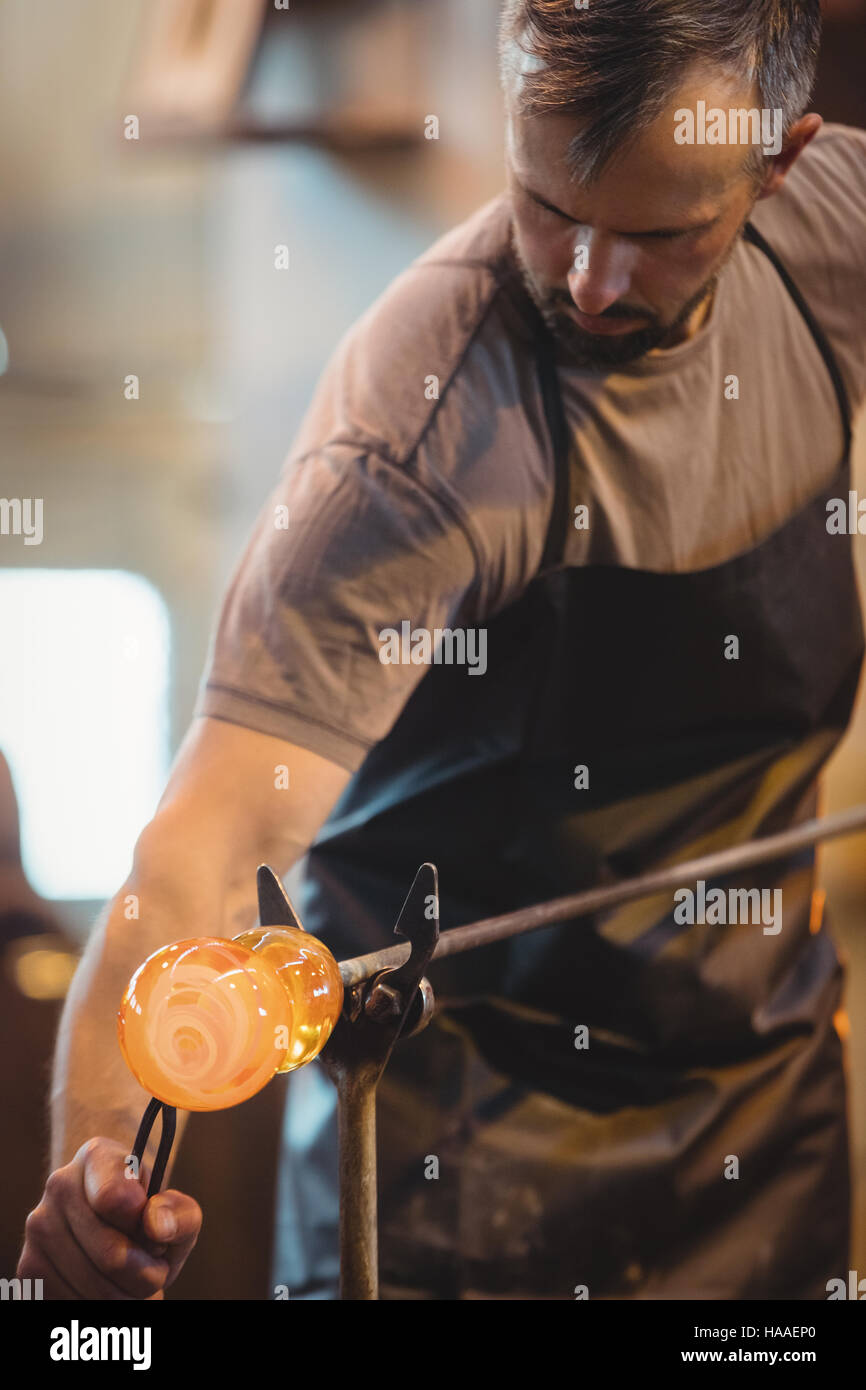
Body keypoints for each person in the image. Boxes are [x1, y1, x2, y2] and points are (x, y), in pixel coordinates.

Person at [19, 0, 866, 1300]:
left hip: (757, 1121)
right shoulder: (411, 449)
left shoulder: (831, 248)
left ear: (781, 161)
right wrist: (89, 1193)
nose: (587, 279)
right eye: (545, 202)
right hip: (449, 1182)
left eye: (658, 231)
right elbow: (196, 853)